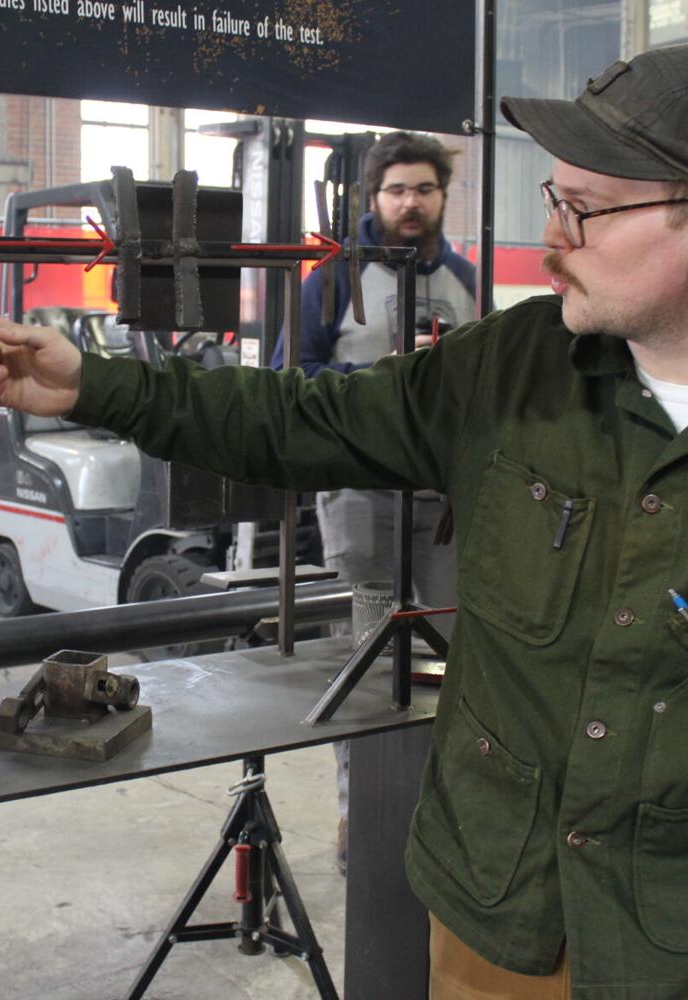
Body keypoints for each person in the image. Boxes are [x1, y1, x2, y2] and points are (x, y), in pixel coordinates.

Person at [0, 42, 688, 999]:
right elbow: (299, 418)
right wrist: (97, 385)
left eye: (585, 208)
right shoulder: (514, 364)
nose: (549, 238)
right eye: (556, 195)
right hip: (492, 924)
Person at [270, 130, 478, 876]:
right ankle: (362, 820)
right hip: (363, 494)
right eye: (397, 190)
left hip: (441, 501)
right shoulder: (333, 279)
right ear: (373, 197)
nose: (411, 202)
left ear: (441, 197)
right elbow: (290, 376)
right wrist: (376, 386)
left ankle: (452, 818)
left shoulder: (461, 280)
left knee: (460, 657)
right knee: (370, 661)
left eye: (424, 189)